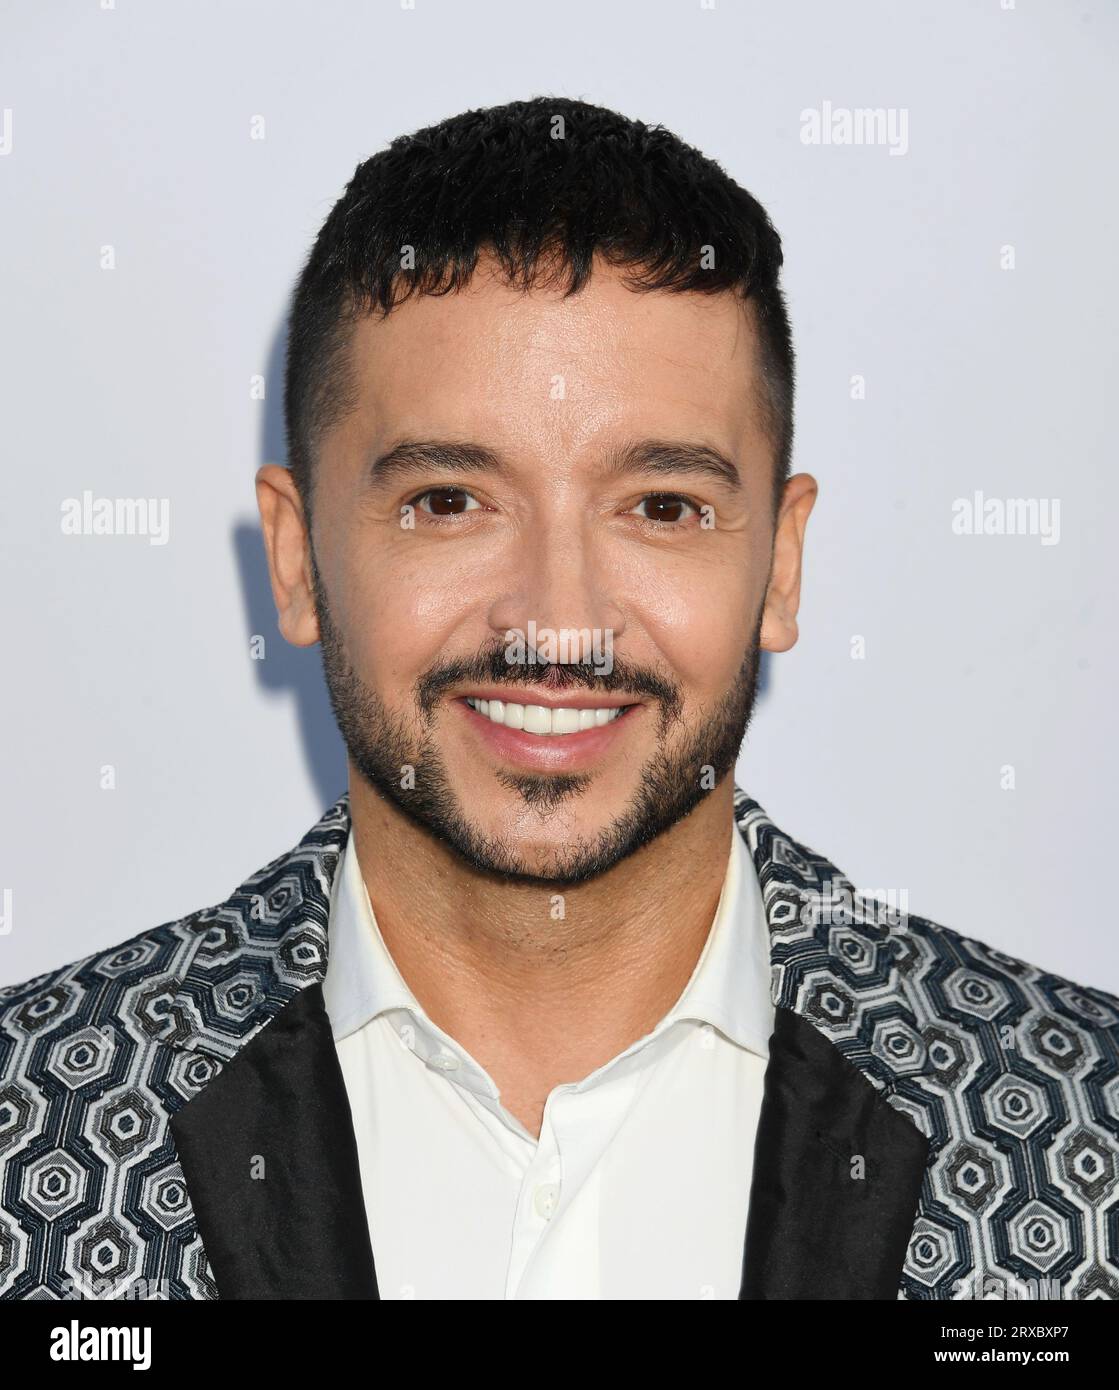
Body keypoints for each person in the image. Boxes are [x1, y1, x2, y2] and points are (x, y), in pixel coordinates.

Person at [2, 97, 1116, 1302]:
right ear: (296, 556)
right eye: (448, 500)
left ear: (781, 565)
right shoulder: (31, 1125)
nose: (556, 618)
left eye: (661, 505)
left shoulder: (1085, 1136)